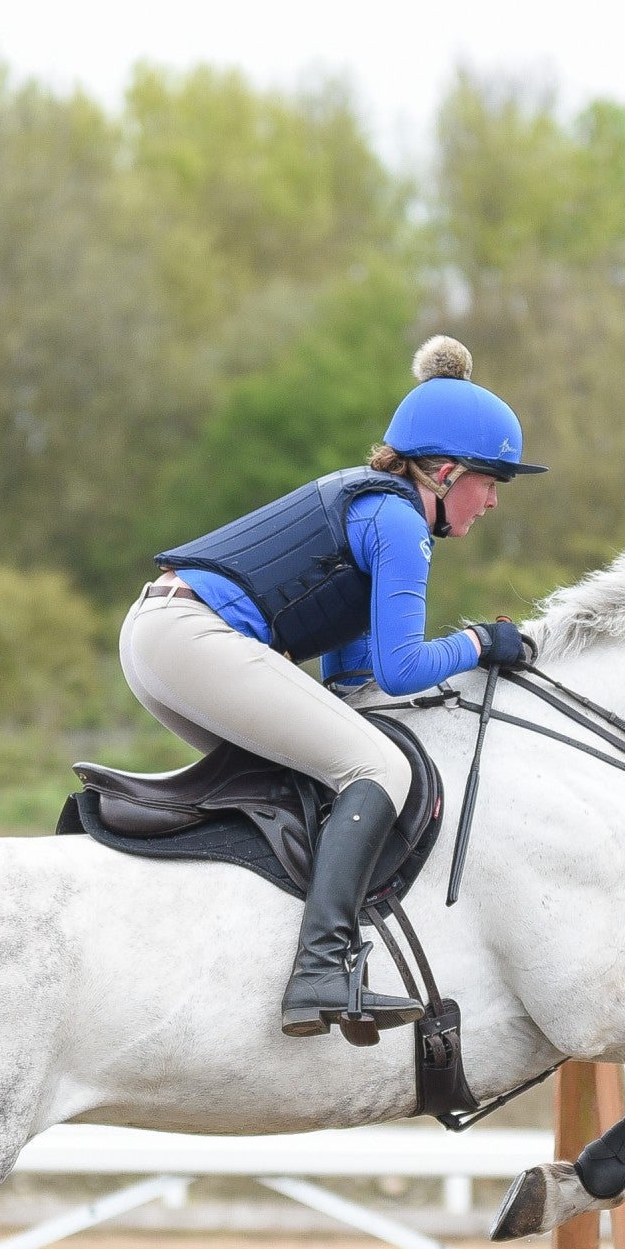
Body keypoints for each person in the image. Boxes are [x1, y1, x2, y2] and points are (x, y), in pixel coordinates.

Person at [125, 335, 543, 1040]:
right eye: (490, 481)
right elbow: (401, 667)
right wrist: (479, 643)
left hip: (163, 639)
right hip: (193, 639)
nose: (493, 502)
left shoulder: (375, 509)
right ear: (444, 472)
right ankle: (321, 968)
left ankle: (253, 948)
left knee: (324, 773)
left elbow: (352, 681)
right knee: (377, 767)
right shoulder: (400, 522)